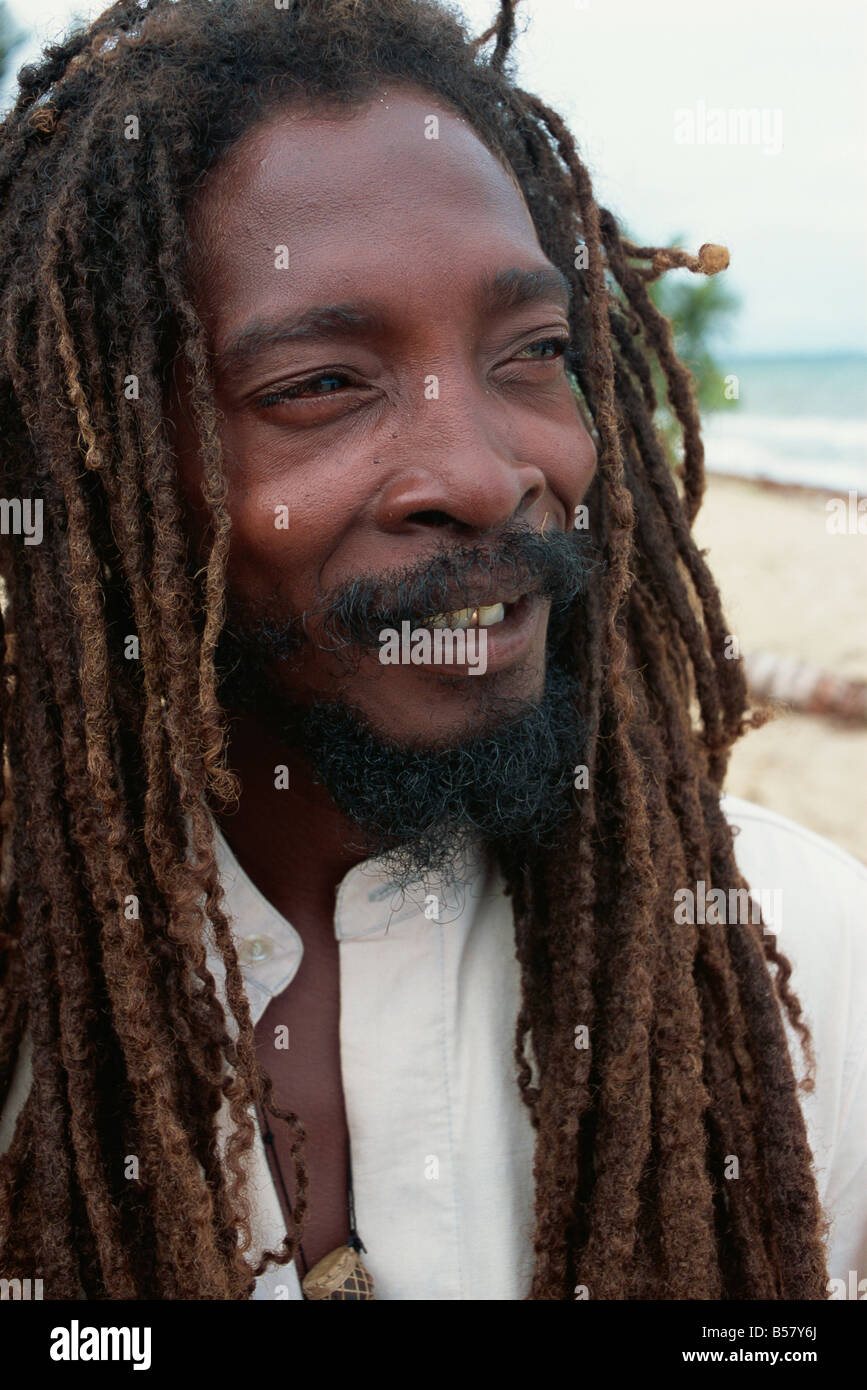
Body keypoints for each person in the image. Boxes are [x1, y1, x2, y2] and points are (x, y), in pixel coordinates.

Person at [0, 0, 863, 1301]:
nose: (485, 473)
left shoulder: (800, 948)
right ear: (100, 463)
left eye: (533, 355)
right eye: (324, 383)